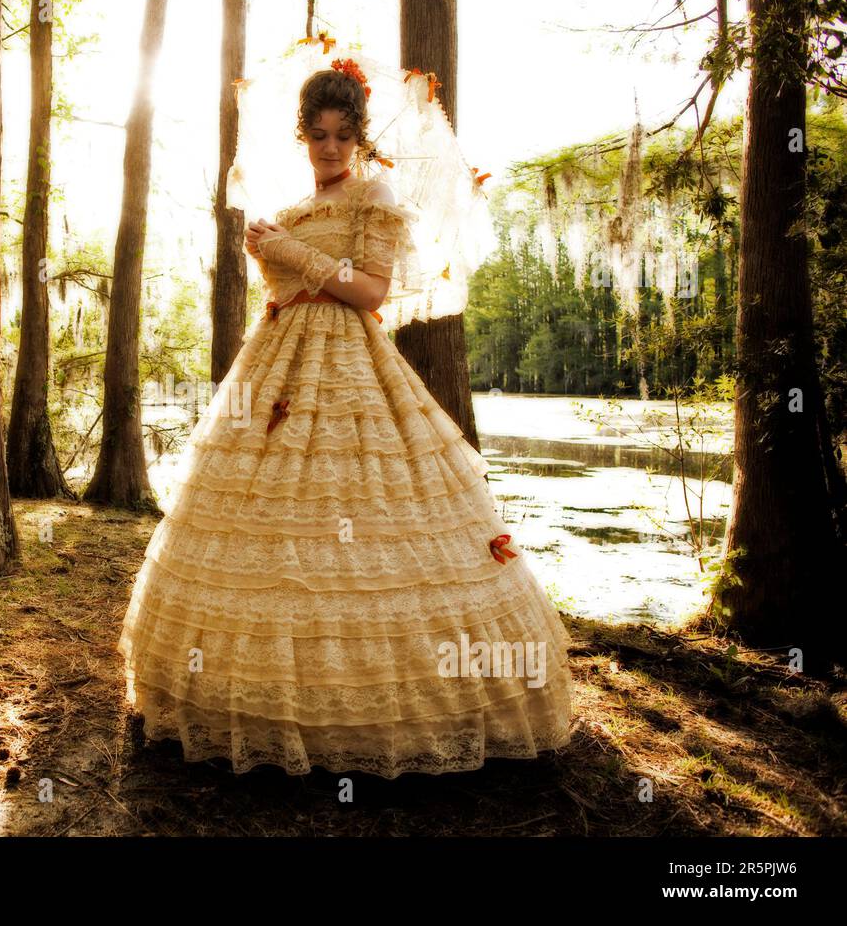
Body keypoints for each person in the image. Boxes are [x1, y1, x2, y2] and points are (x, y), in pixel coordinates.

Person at [116, 59, 573, 779]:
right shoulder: (293, 206)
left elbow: (370, 293)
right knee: (266, 529)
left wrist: (290, 253)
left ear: (358, 136)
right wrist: (266, 252)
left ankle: (376, 709)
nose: (329, 148)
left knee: (361, 514)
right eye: (318, 135)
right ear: (303, 136)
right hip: (276, 368)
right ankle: (254, 694)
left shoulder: (373, 197)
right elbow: (287, 289)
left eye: (341, 135)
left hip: (353, 369)